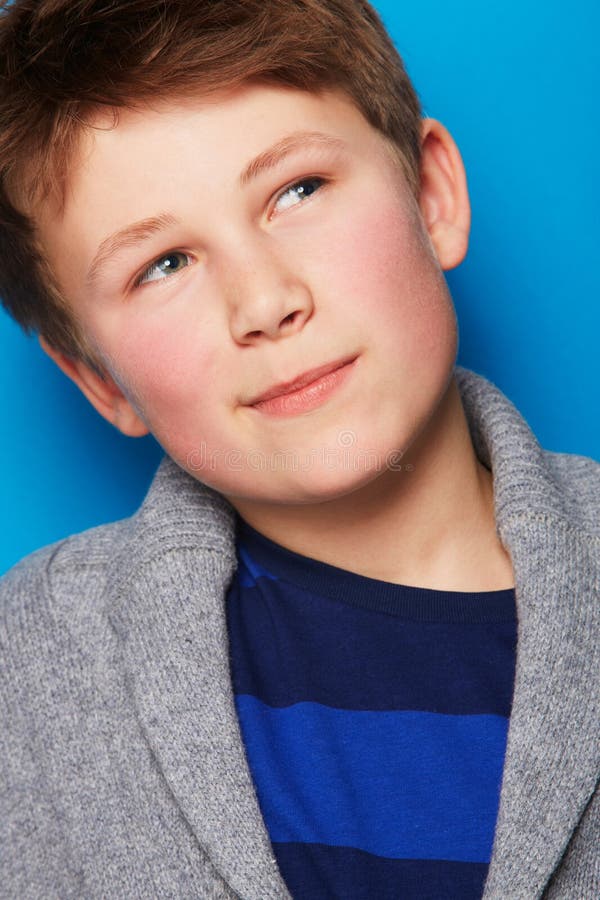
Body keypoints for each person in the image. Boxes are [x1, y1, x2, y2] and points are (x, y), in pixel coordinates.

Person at [0, 1, 597, 897]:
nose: (265, 302)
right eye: (163, 264)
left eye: (297, 191)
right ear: (102, 380)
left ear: (432, 197)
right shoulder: (34, 664)